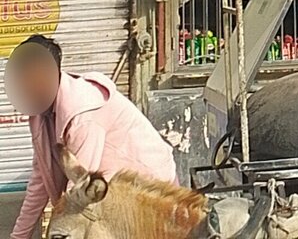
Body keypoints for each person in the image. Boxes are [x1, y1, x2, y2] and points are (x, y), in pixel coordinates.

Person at [6, 35, 177, 239]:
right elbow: (40, 181)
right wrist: (18, 236)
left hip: (149, 191)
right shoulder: (39, 114)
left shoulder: (81, 113)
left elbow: (79, 192)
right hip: (108, 191)